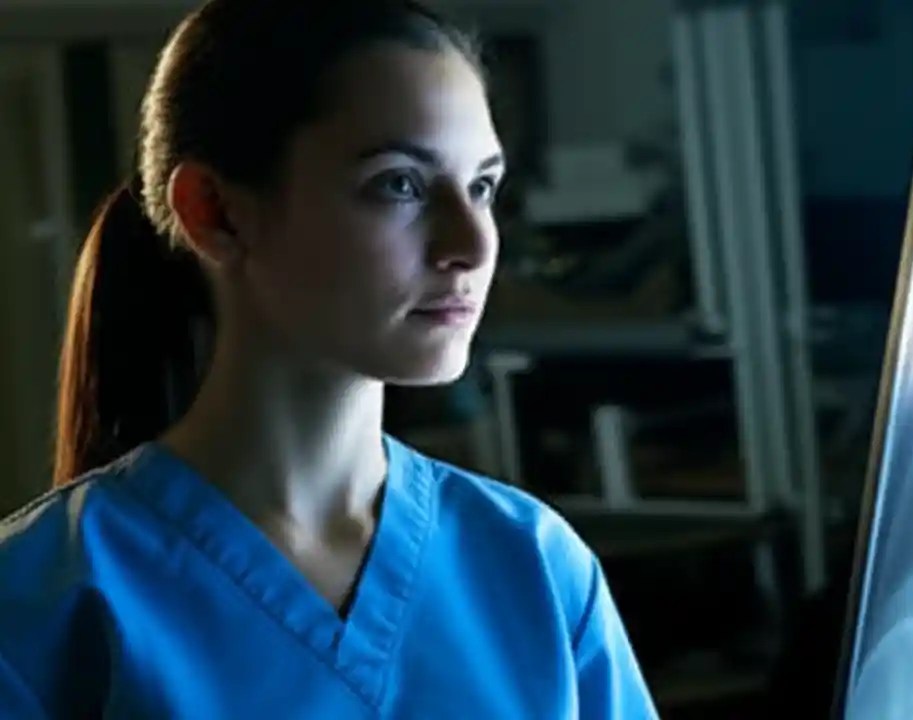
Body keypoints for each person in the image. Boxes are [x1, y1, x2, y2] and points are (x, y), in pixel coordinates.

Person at [0, 1, 657, 717]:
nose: (470, 244)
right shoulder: (39, 604)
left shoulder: (534, 567)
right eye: (399, 184)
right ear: (215, 211)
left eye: (482, 187)